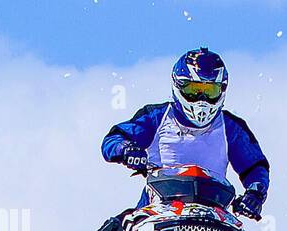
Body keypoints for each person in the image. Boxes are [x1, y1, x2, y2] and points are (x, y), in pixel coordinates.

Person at [101, 47, 269, 219]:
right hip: (157, 210)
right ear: (178, 86)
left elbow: (254, 166)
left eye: (210, 91)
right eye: (193, 90)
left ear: (222, 90)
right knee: (114, 230)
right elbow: (114, 138)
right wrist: (127, 150)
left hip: (214, 215)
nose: (202, 100)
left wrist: (254, 194)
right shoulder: (157, 117)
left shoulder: (231, 128)